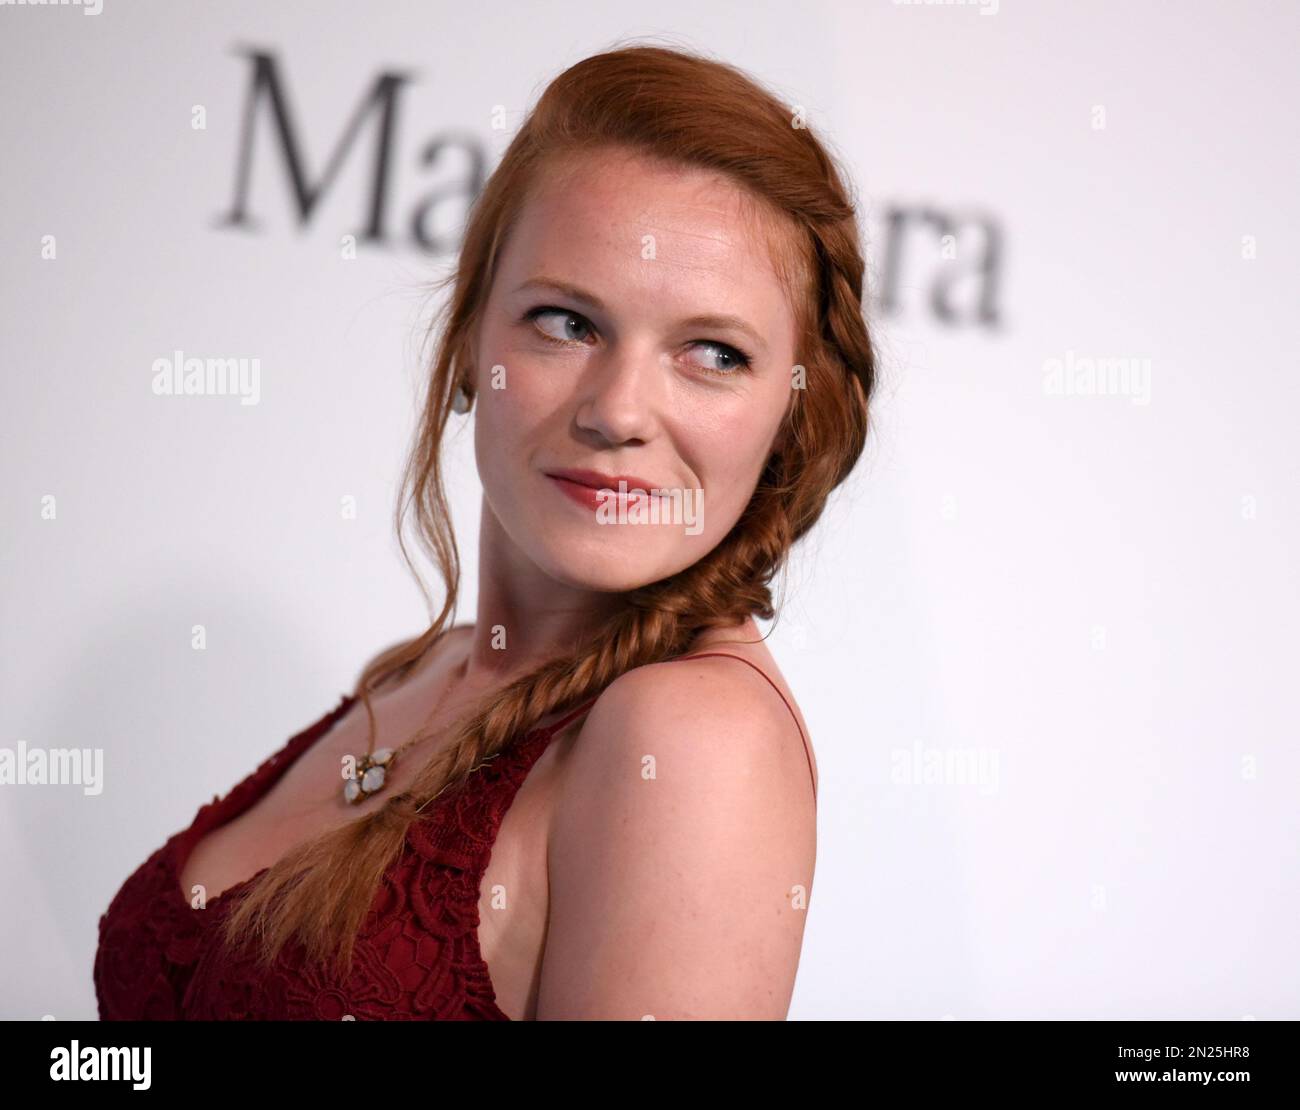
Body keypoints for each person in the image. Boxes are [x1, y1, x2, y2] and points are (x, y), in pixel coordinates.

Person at [94, 39, 875, 1021]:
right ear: (469, 336)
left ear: (788, 417)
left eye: (713, 352)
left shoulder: (686, 739)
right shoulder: (424, 673)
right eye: (566, 323)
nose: (618, 410)